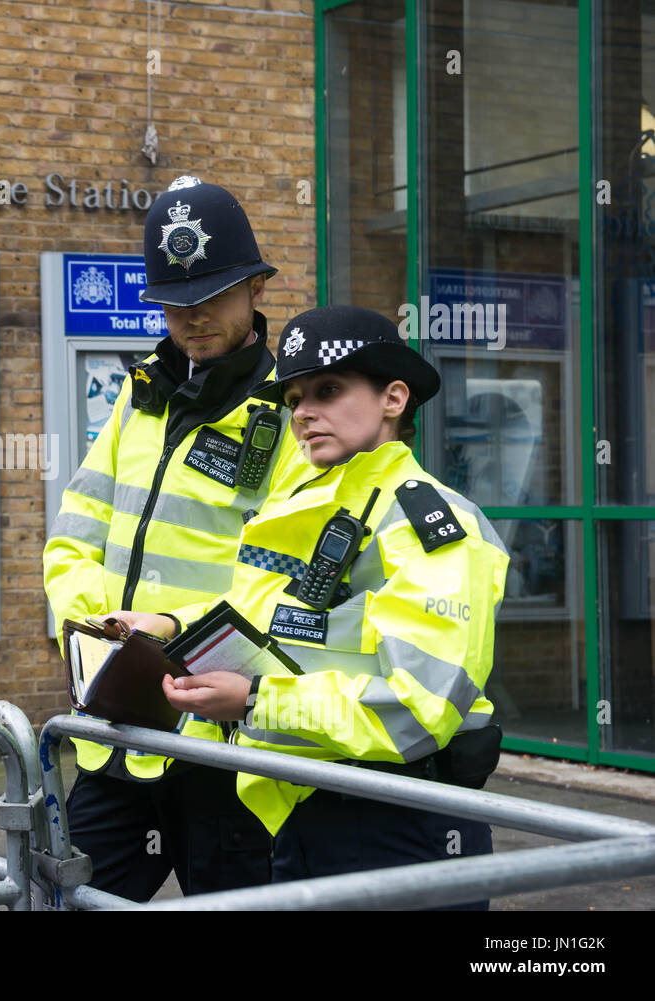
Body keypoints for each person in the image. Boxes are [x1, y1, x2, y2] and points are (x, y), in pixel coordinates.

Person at [124, 305, 508, 908]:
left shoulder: (427, 524)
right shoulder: (314, 502)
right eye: (296, 396)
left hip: (399, 822)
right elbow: (258, 620)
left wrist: (252, 701)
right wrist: (169, 626)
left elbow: (418, 708)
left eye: (328, 389)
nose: (303, 412)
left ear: (394, 398)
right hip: (307, 808)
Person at [42, 176, 310, 901]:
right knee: (68, 898)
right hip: (116, 734)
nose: (192, 317)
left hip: (217, 739)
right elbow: (73, 535)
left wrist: (166, 633)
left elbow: (286, 582)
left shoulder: (292, 412)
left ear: (256, 287)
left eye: (213, 297)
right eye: (176, 302)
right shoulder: (140, 395)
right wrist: (94, 631)